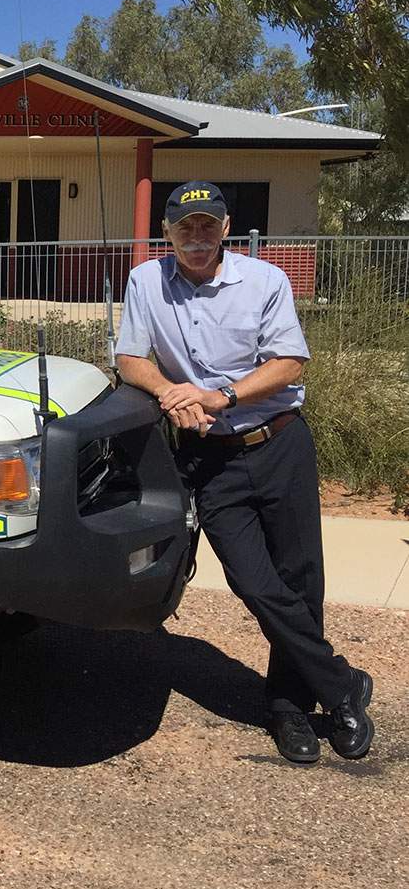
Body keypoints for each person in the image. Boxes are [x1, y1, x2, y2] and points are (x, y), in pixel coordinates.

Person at [115, 181, 374, 764]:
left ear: (226, 228)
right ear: (166, 232)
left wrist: (220, 395)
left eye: (208, 226)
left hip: (279, 444)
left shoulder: (265, 281)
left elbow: (290, 361)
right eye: (185, 227)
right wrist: (170, 393)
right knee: (254, 583)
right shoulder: (146, 281)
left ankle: (288, 706)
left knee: (300, 581)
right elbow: (130, 358)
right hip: (209, 458)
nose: (197, 237)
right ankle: (342, 685)